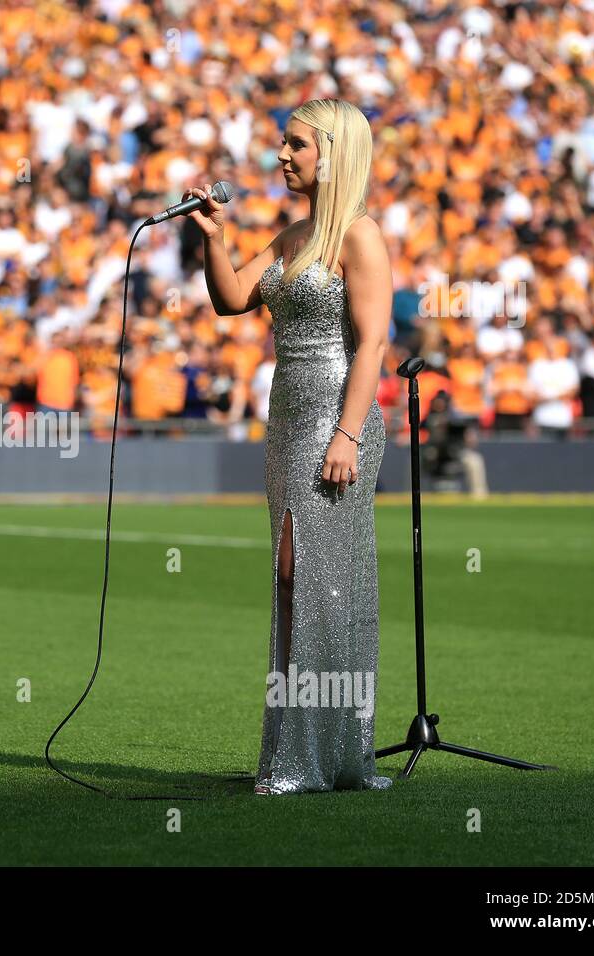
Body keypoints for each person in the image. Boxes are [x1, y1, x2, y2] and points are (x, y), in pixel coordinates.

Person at [193, 98, 393, 795]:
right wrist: (213, 238)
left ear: (333, 154)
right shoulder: (292, 236)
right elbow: (231, 298)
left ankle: (320, 756)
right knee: (298, 579)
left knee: (312, 577)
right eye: (285, 144)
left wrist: (345, 432)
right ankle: (317, 755)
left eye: (296, 146)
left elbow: (372, 343)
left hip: (337, 417)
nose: (282, 156)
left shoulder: (358, 237)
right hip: (287, 419)